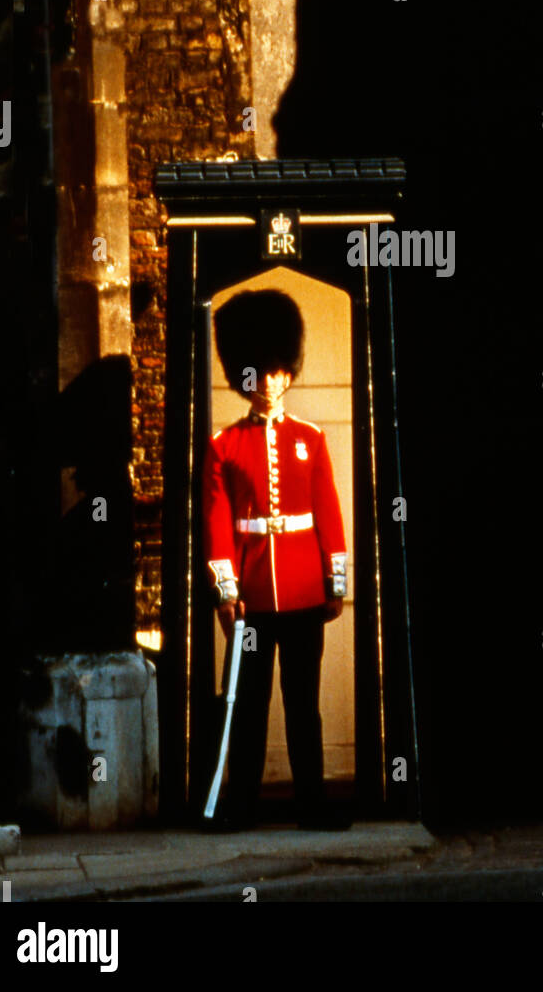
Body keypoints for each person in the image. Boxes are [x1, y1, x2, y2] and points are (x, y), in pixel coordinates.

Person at [203, 289, 349, 830]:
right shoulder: (225, 445)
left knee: (302, 707)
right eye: (257, 373)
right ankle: (240, 806)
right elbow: (217, 524)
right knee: (247, 705)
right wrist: (227, 592)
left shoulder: (311, 439)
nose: (267, 383)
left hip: (306, 591)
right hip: (253, 601)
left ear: (289, 374)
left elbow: (329, 515)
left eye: (276, 372)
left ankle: (311, 805)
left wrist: (336, 583)